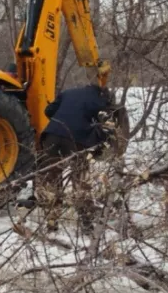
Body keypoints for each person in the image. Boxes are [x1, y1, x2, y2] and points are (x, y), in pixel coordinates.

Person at [37, 84, 113, 232]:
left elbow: (48, 110)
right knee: (80, 179)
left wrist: (62, 121)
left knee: (51, 179)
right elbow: (106, 126)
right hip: (76, 139)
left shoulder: (68, 91)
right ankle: (86, 222)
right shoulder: (99, 100)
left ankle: (51, 222)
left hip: (51, 136)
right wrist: (101, 141)